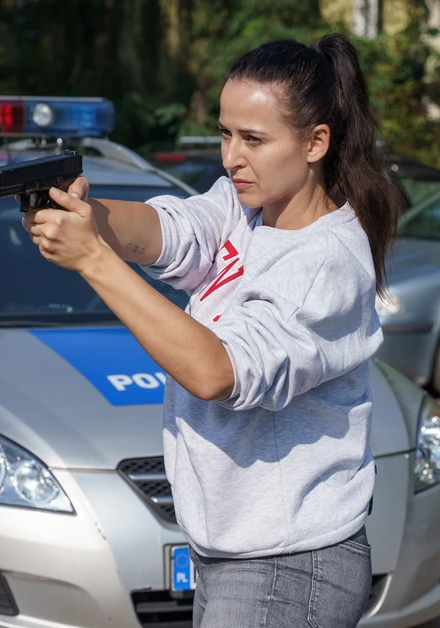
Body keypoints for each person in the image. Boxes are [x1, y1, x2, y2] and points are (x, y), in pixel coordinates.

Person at [21, 31, 403, 628]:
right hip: (237, 556)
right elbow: (170, 231)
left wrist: (92, 258)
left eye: (253, 139)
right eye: (226, 134)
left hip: (287, 564)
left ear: (315, 142)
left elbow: (216, 371)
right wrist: (80, 215)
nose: (231, 157)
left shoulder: (325, 260)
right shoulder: (246, 204)